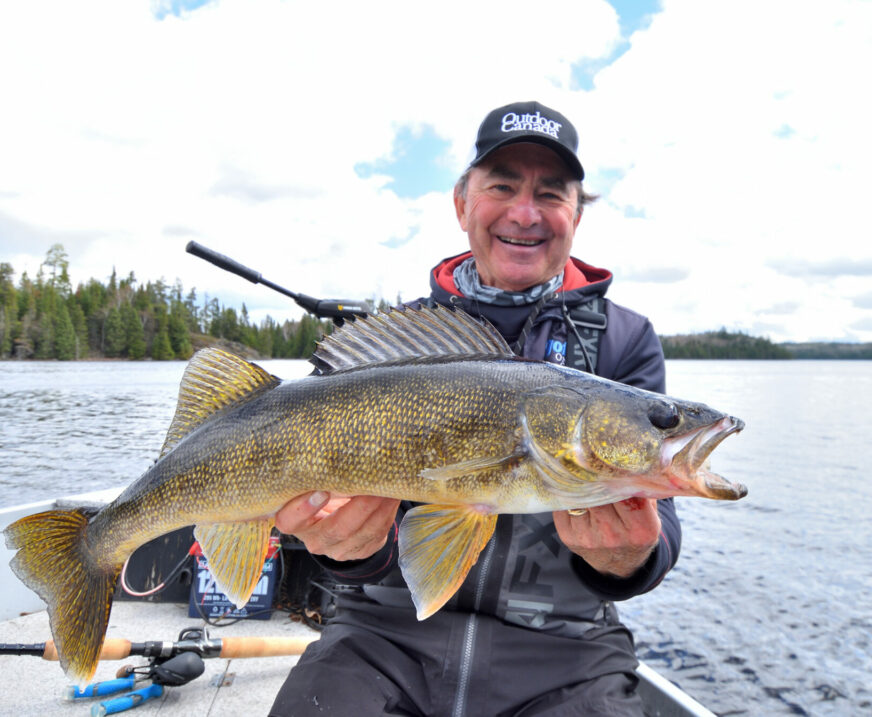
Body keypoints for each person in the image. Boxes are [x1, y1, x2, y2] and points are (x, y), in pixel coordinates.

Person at [270, 101, 675, 716]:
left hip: (566, 654)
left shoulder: (624, 342)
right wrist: (343, 545)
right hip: (384, 638)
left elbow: (659, 529)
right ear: (462, 203)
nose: (524, 212)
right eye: (502, 186)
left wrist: (628, 558)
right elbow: (339, 528)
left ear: (576, 214)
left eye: (551, 193)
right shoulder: (397, 346)